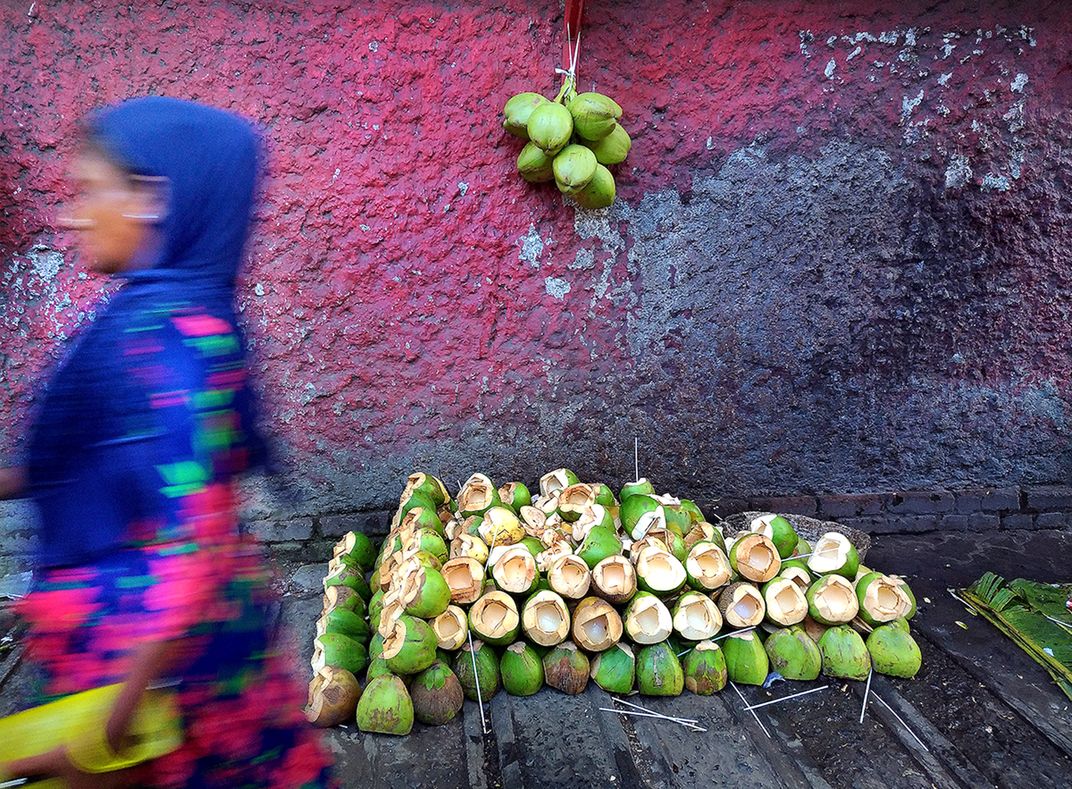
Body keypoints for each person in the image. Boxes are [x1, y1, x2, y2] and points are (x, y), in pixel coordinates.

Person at [0, 97, 333, 787]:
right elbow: (81, 461)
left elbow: (193, 545)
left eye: (91, 191)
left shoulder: (178, 341)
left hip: (163, 676)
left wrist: (109, 728)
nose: (73, 214)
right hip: (145, 658)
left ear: (153, 199)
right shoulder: (146, 316)